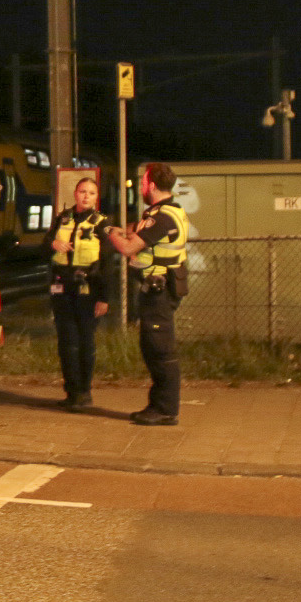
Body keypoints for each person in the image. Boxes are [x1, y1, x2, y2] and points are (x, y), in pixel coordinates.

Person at [106, 161, 191, 426]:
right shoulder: (164, 212)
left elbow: (129, 248)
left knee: (160, 349)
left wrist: (107, 230)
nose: (141, 186)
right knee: (153, 347)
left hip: (159, 291)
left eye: (143, 182)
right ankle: (159, 405)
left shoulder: (162, 217)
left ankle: (165, 409)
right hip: (158, 289)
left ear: (151, 185)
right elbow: (137, 231)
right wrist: (122, 228)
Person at [48, 176, 113, 408]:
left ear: (97, 198)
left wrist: (104, 298)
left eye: (91, 192)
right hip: (62, 288)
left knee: (85, 341)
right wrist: (53, 244)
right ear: (75, 194)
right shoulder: (62, 219)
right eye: (82, 191)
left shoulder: (102, 224)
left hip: (89, 289)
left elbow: (107, 263)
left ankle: (84, 392)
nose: (86, 196)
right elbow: (44, 246)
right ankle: (71, 392)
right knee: (66, 342)